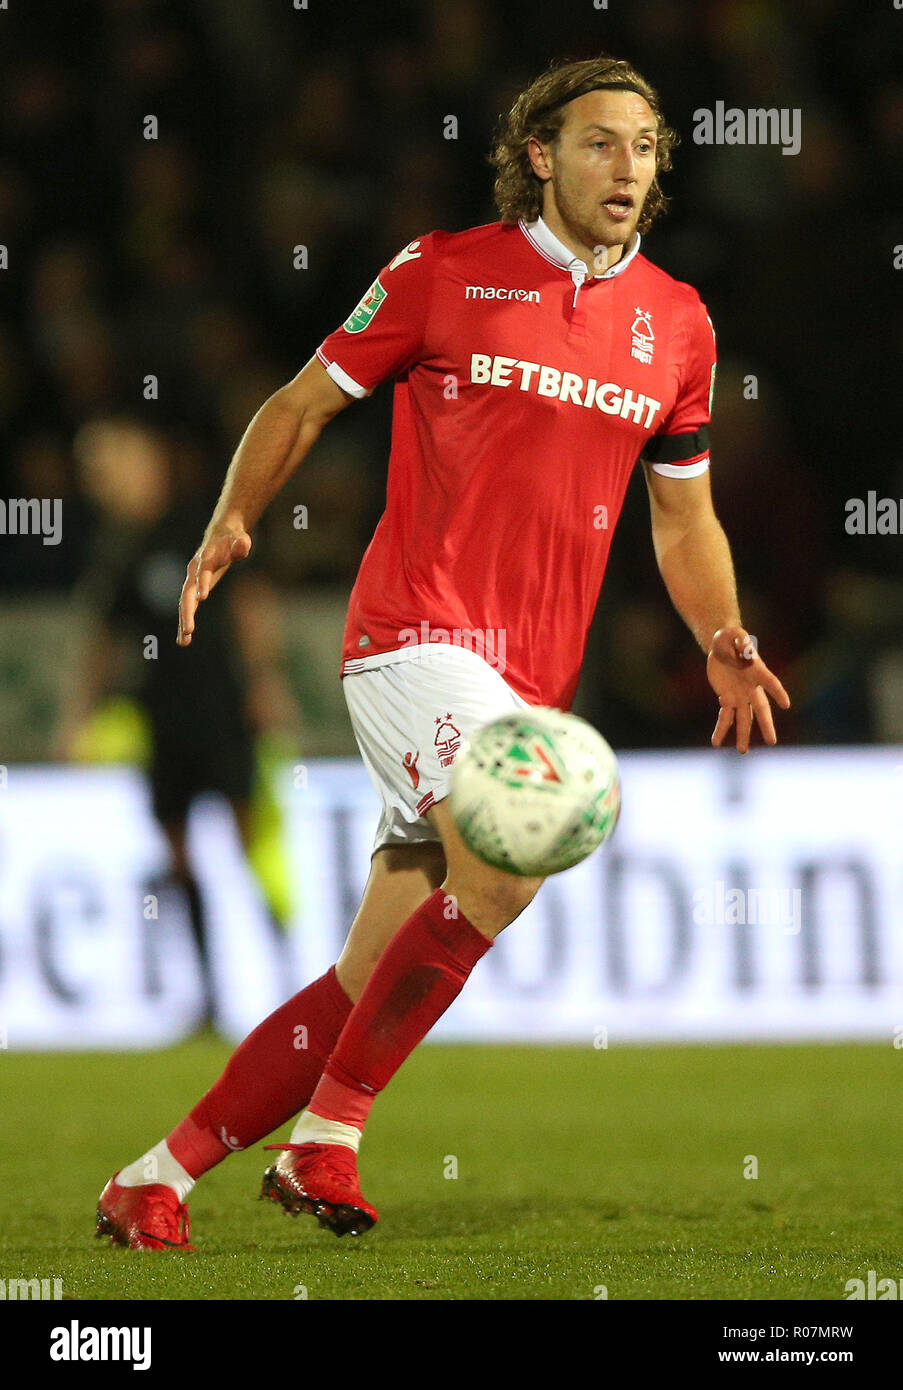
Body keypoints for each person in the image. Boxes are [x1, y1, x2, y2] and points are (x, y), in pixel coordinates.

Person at [96, 54, 790, 1250]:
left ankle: (156, 1175)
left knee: (366, 978)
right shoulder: (445, 271)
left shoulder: (678, 323)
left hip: (531, 673)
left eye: (644, 145)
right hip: (416, 635)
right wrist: (234, 516)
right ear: (540, 155)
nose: (626, 166)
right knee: (518, 854)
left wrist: (719, 631)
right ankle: (330, 1140)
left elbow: (684, 515)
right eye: (598, 141)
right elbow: (302, 402)